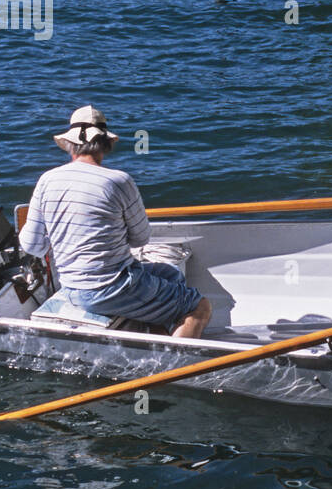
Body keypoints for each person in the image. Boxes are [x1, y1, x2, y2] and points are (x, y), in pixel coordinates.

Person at [19, 105, 212, 339]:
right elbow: (141, 238)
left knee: (170, 274)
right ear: (106, 145)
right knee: (199, 306)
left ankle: (157, 333)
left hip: (71, 289)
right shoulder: (119, 181)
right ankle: (175, 368)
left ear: (69, 145)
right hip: (114, 289)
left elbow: (32, 245)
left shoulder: (46, 180)